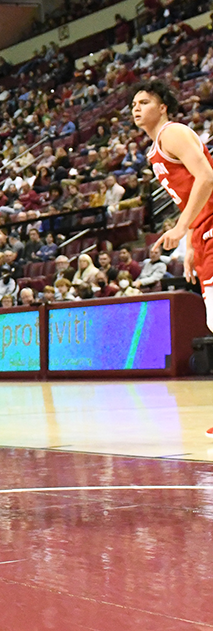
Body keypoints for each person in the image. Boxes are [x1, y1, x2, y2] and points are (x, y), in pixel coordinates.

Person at [132, 79, 213, 439]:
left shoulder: (173, 132)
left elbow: (207, 176)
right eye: (134, 103)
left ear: (163, 107)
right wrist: (191, 243)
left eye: (145, 101)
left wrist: (181, 230)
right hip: (204, 231)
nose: (136, 107)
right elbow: (190, 197)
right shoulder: (153, 150)